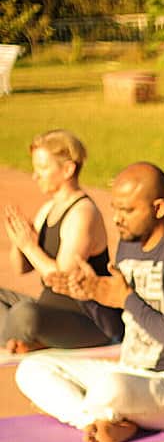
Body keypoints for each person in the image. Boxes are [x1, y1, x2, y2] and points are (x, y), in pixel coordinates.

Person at [14, 162, 164, 442]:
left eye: (128, 210)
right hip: (132, 372)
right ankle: (101, 422)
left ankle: (96, 414)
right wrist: (90, 297)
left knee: (109, 387)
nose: (117, 219)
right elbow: (119, 331)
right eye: (115, 208)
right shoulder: (129, 245)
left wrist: (125, 299)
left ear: (158, 208)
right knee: (32, 369)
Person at [1, 130, 112, 353]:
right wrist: (18, 240)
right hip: (48, 310)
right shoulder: (47, 209)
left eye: (42, 169)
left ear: (68, 169)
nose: (35, 176)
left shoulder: (83, 213)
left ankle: (22, 336)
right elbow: (22, 268)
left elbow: (60, 277)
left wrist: (28, 246)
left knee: (25, 315)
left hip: (85, 319)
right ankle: (26, 338)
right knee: (18, 308)